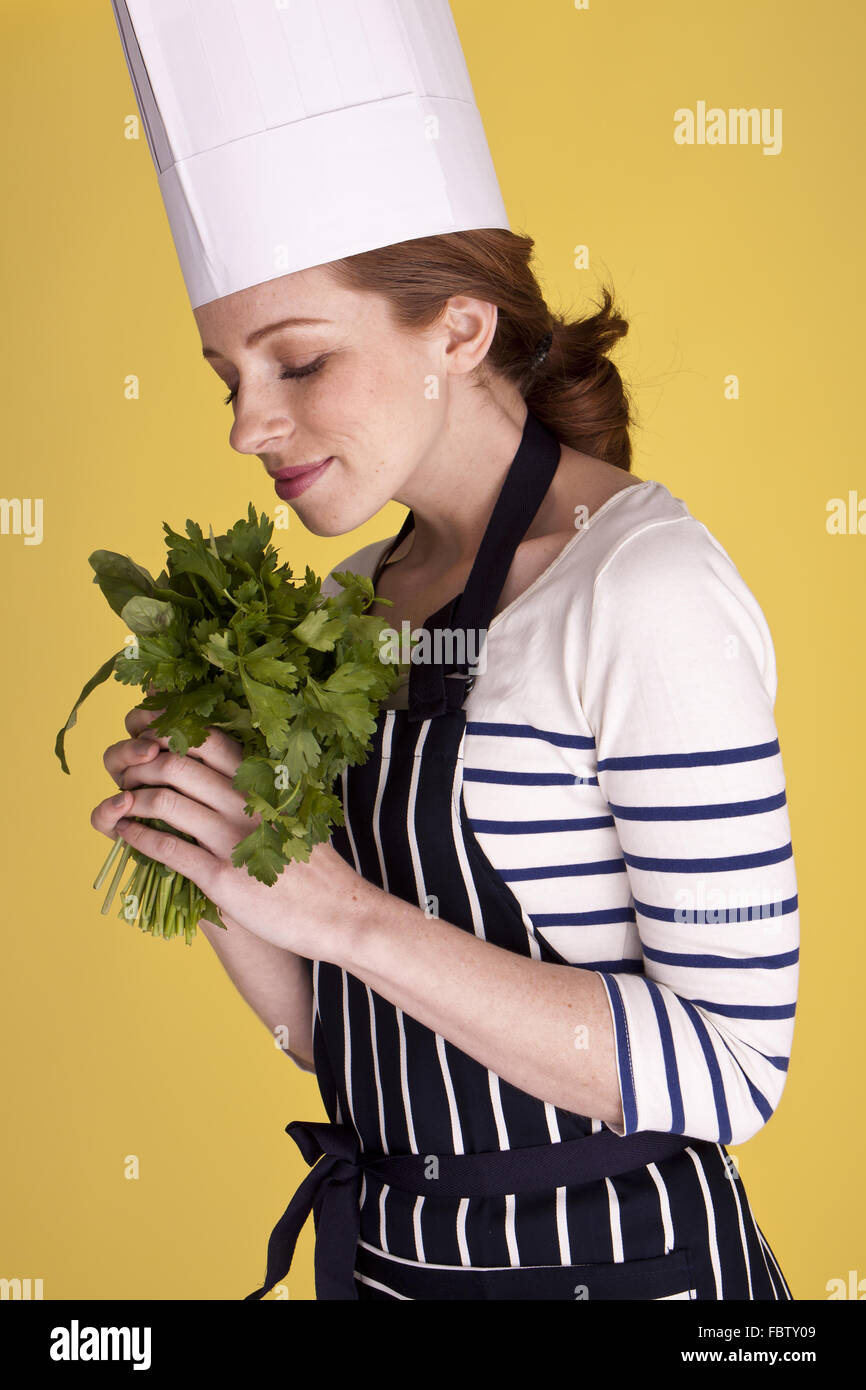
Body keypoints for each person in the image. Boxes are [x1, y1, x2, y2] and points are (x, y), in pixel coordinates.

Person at [94, 2, 798, 1300]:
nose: (248, 425)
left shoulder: (637, 588)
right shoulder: (348, 605)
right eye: (225, 376)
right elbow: (341, 1038)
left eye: (297, 362)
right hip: (388, 1270)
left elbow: (732, 1068)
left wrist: (345, 912)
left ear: (460, 331)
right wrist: (215, 851)